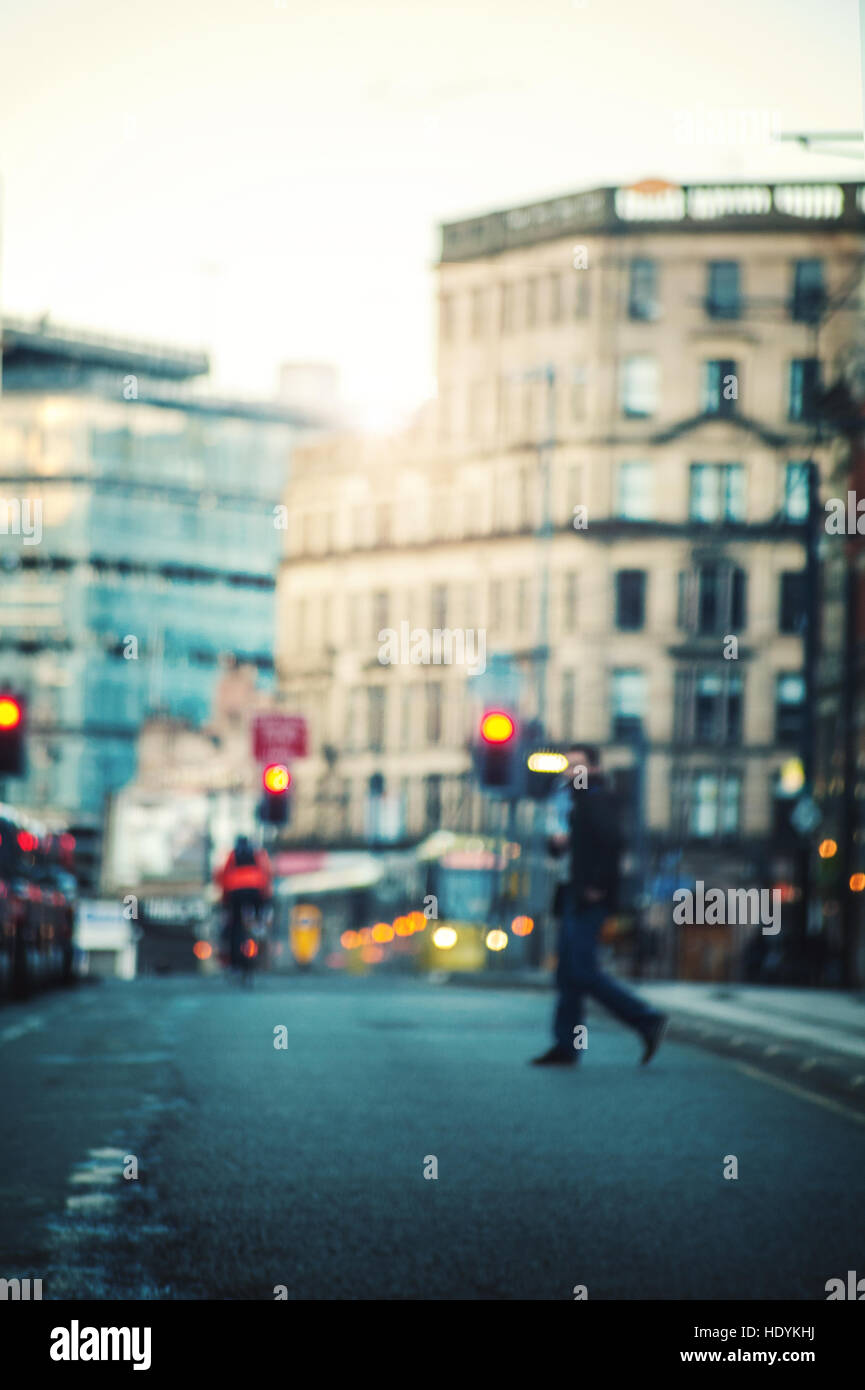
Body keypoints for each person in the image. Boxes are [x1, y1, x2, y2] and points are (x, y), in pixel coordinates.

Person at [532, 743, 668, 1068]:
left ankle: (645, 1018)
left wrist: (597, 886)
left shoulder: (599, 798)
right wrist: (557, 844)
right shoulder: (572, 801)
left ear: (594, 769)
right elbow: (562, 849)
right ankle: (567, 1045)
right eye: (568, 767)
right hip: (570, 893)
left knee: (582, 970)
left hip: (588, 896)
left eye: (578, 766)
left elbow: (612, 845)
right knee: (567, 974)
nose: (572, 772)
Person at [214, 835, 273, 970]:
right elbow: (267, 874)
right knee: (257, 920)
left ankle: (235, 960)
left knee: (235, 925)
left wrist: (224, 899)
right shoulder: (258, 854)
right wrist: (265, 899)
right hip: (255, 891)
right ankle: (257, 934)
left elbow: (222, 875)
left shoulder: (232, 855)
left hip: (235, 893)